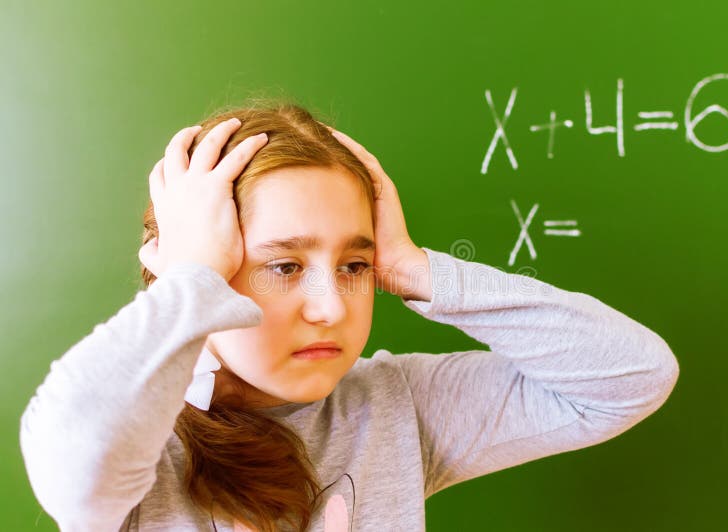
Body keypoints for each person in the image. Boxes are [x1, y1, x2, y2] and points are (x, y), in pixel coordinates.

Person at [19, 102, 680, 531]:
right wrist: (189, 280)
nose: (332, 306)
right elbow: (74, 461)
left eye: (354, 266)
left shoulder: (394, 405)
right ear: (200, 272)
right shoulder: (143, 449)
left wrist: (414, 268)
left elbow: (632, 376)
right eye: (284, 266)